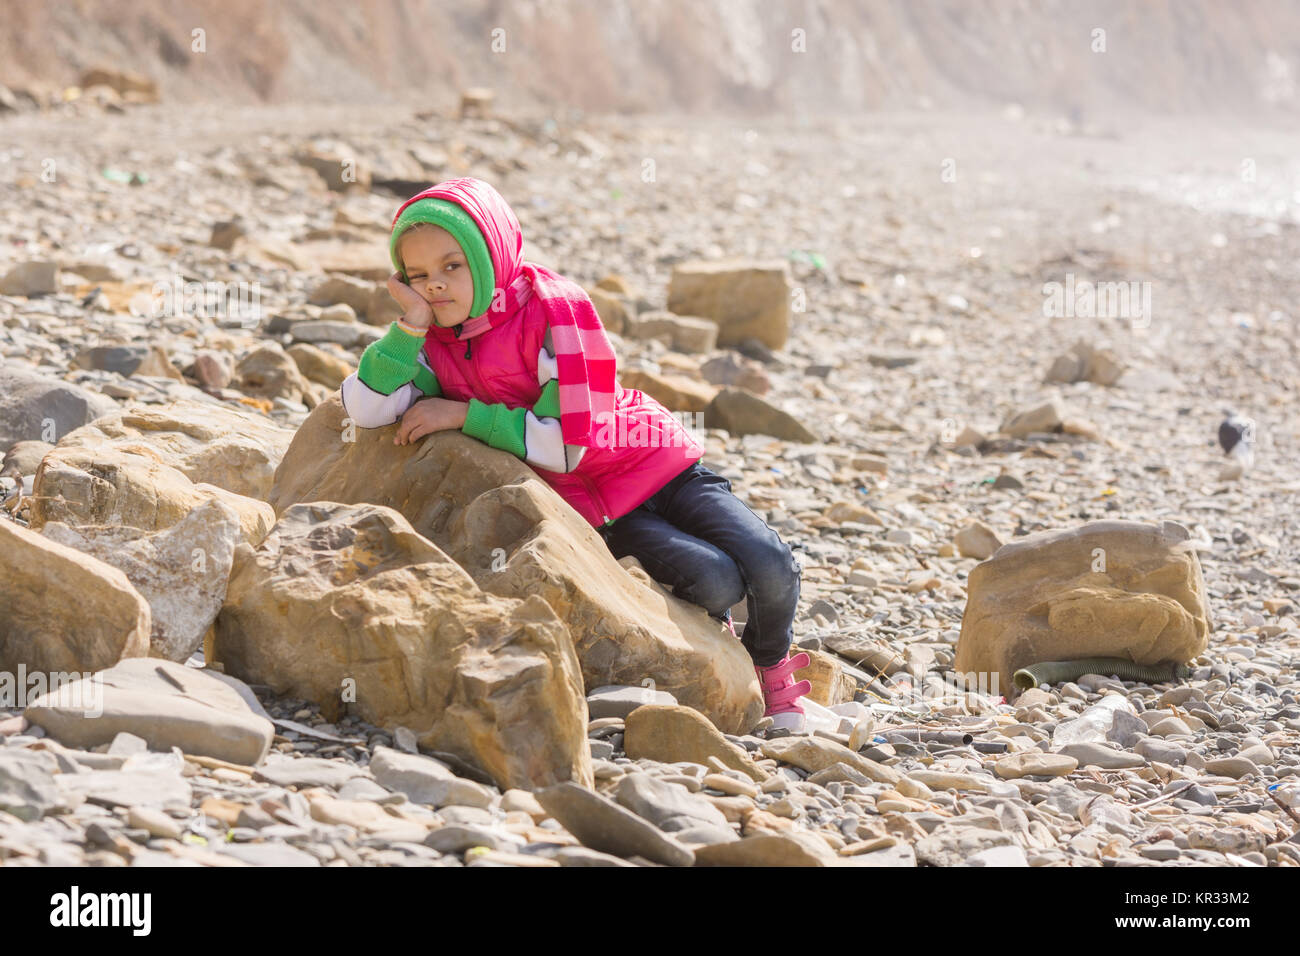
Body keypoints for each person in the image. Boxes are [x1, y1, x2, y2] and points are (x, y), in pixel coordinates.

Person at [338, 177, 811, 731]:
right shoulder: (428, 342)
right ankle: (723, 630)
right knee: (718, 583)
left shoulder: (555, 311)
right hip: (596, 512)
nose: (435, 286)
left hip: (655, 464)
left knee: (771, 563)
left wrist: (465, 415)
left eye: (452, 266)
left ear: (491, 254)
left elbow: (565, 442)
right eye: (417, 276)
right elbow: (366, 409)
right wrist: (409, 327)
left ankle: (771, 667)